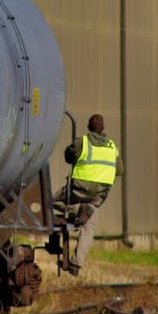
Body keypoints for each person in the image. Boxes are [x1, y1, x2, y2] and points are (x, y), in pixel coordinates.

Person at [53, 114, 122, 276]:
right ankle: (76, 264)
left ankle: (75, 209)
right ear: (103, 129)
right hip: (96, 198)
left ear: (88, 127)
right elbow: (120, 170)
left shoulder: (82, 142)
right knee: (89, 228)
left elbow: (68, 156)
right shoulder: (113, 147)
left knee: (51, 202)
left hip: (76, 192)